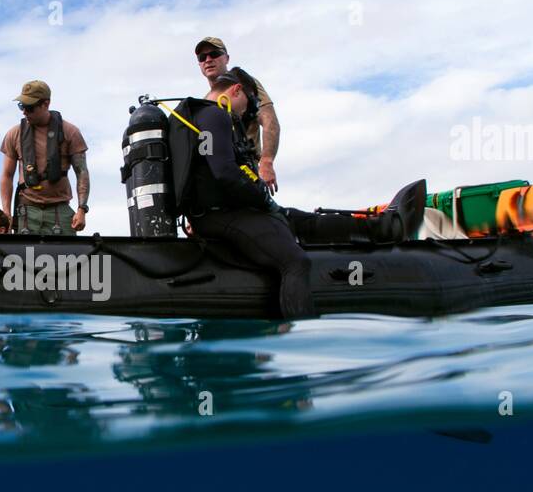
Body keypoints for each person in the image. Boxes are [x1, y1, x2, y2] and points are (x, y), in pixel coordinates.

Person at [180, 70, 425, 319]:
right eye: (251, 105)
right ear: (236, 90)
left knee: (302, 220)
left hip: (223, 212)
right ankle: (296, 335)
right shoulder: (215, 115)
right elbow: (223, 172)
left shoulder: (195, 115)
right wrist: (263, 199)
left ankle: (383, 228)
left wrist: (264, 203)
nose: (248, 112)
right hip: (222, 216)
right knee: (295, 262)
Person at [0, 80, 90, 235]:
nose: (24, 112)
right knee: (22, 258)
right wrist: (6, 212)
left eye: (29, 107)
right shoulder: (14, 134)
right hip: (26, 211)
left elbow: (82, 172)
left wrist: (82, 209)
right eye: (21, 106)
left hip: (59, 210)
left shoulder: (70, 132)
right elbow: (7, 175)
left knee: (67, 257)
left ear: (45, 104)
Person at [195, 37, 281, 190]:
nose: (208, 60)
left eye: (214, 54)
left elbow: (269, 120)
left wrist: (266, 162)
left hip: (247, 171)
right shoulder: (204, 102)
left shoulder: (245, 85)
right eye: (202, 57)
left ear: (226, 58)